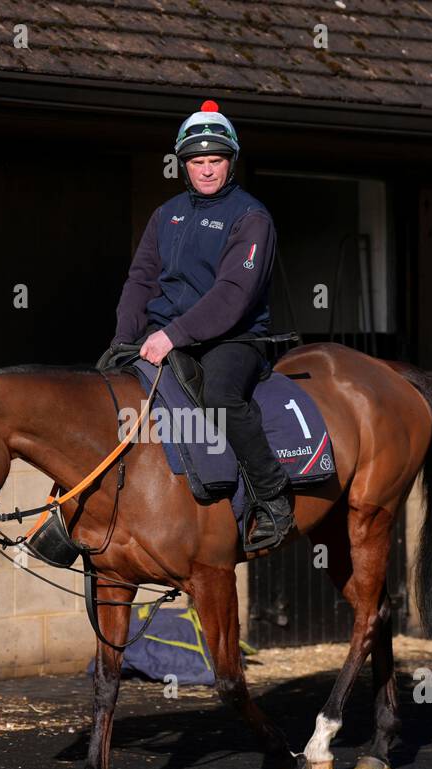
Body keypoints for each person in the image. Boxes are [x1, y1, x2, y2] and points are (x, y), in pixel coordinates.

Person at [111, 99, 293, 550]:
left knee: (220, 396)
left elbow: (233, 295)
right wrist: (122, 339)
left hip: (233, 339)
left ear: (230, 163)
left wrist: (173, 335)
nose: (207, 170)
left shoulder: (251, 217)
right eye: (197, 161)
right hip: (161, 335)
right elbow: (140, 279)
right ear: (183, 164)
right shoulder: (165, 214)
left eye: (216, 161)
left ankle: (273, 497)